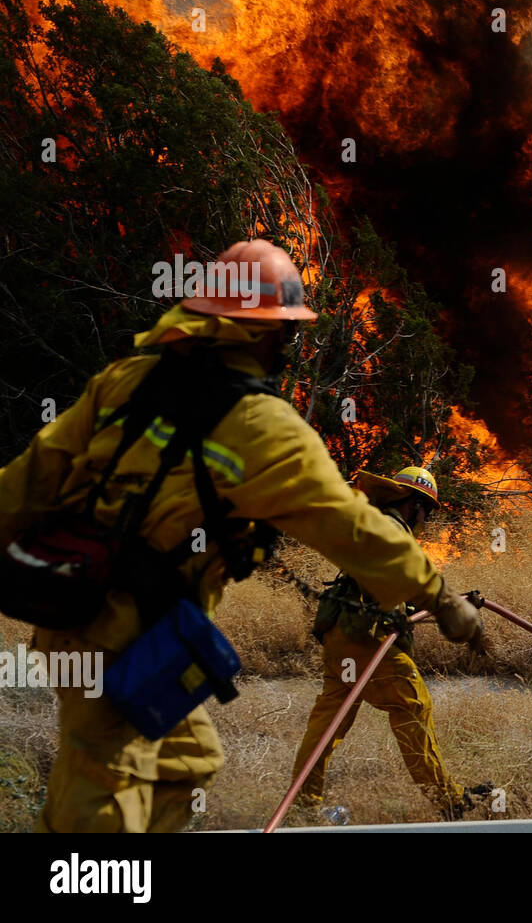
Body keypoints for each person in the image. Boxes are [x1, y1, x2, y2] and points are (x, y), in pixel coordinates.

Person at [0, 239, 484, 832]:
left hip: (89, 605)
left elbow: (27, 481)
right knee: (108, 779)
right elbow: (350, 525)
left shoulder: (128, 380)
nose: (287, 343)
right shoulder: (261, 424)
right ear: (256, 332)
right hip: (127, 624)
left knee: (182, 760)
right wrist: (440, 596)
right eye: (283, 330)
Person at [290, 467, 492, 822]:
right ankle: (449, 803)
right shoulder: (393, 529)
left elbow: (394, 588)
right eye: (426, 510)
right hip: (368, 639)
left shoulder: (376, 523)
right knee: (413, 706)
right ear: (413, 504)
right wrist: (452, 610)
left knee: (328, 720)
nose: (426, 518)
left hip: (340, 635)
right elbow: (413, 577)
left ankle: (302, 806)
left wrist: (452, 601)